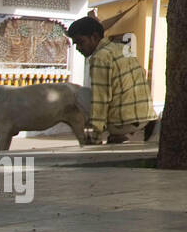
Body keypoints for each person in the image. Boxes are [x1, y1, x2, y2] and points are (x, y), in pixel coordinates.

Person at [66, 16, 157, 144]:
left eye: (81, 42)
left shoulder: (100, 57)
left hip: (123, 123)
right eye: (76, 44)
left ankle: (117, 133)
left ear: (94, 37)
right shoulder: (123, 48)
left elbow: (100, 99)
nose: (78, 48)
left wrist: (96, 137)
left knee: (80, 94)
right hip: (146, 117)